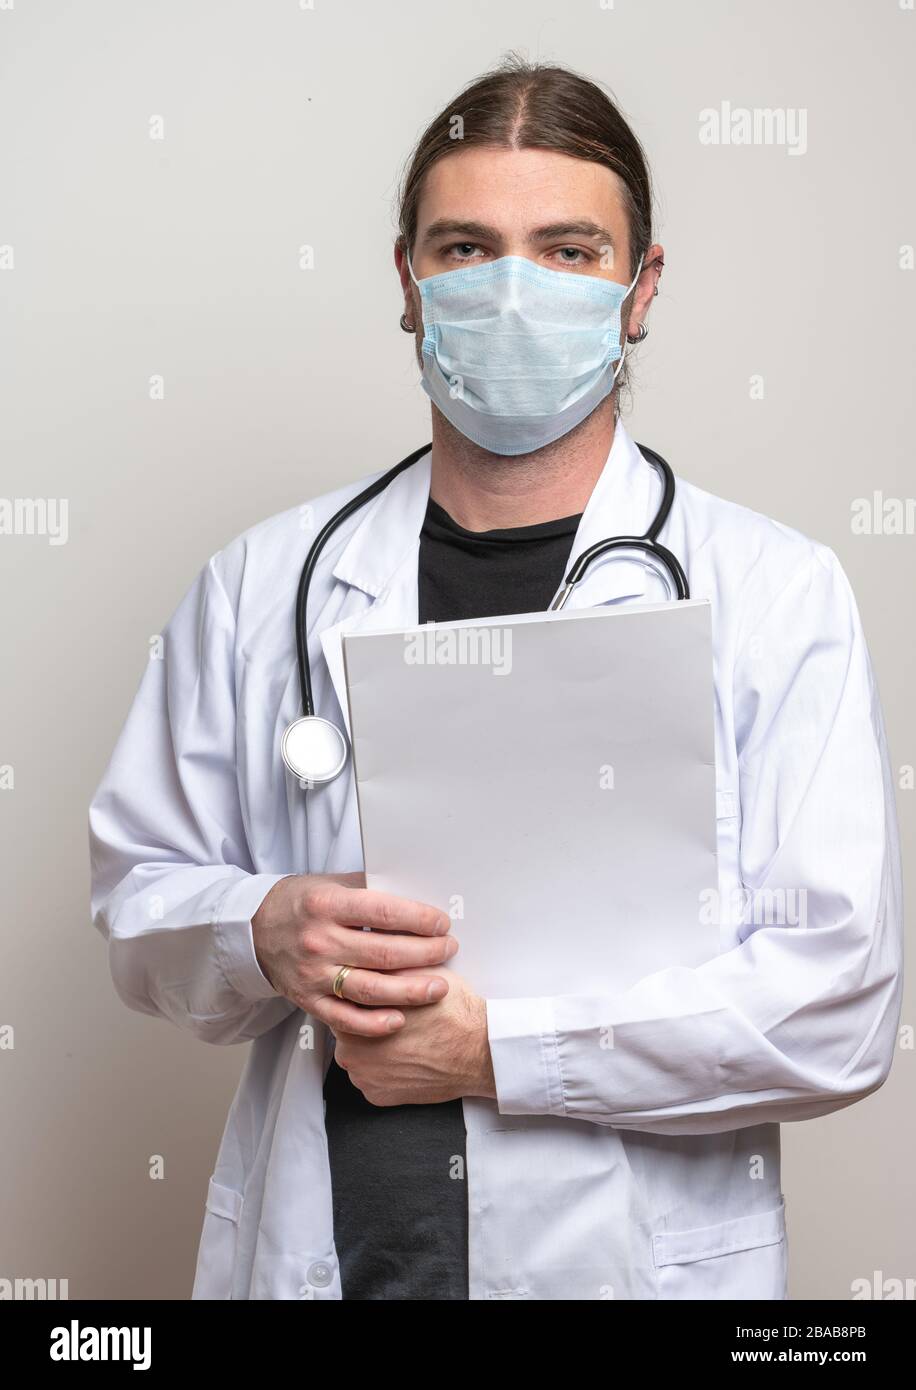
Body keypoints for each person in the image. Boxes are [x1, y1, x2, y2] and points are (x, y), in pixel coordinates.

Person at [89, 57, 902, 1301]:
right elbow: (139, 909)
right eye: (467, 249)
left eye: (568, 252)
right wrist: (259, 930)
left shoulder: (774, 594)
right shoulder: (262, 583)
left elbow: (834, 1008)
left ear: (640, 288)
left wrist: (498, 1053)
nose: (514, 293)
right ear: (408, 283)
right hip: (330, 1259)